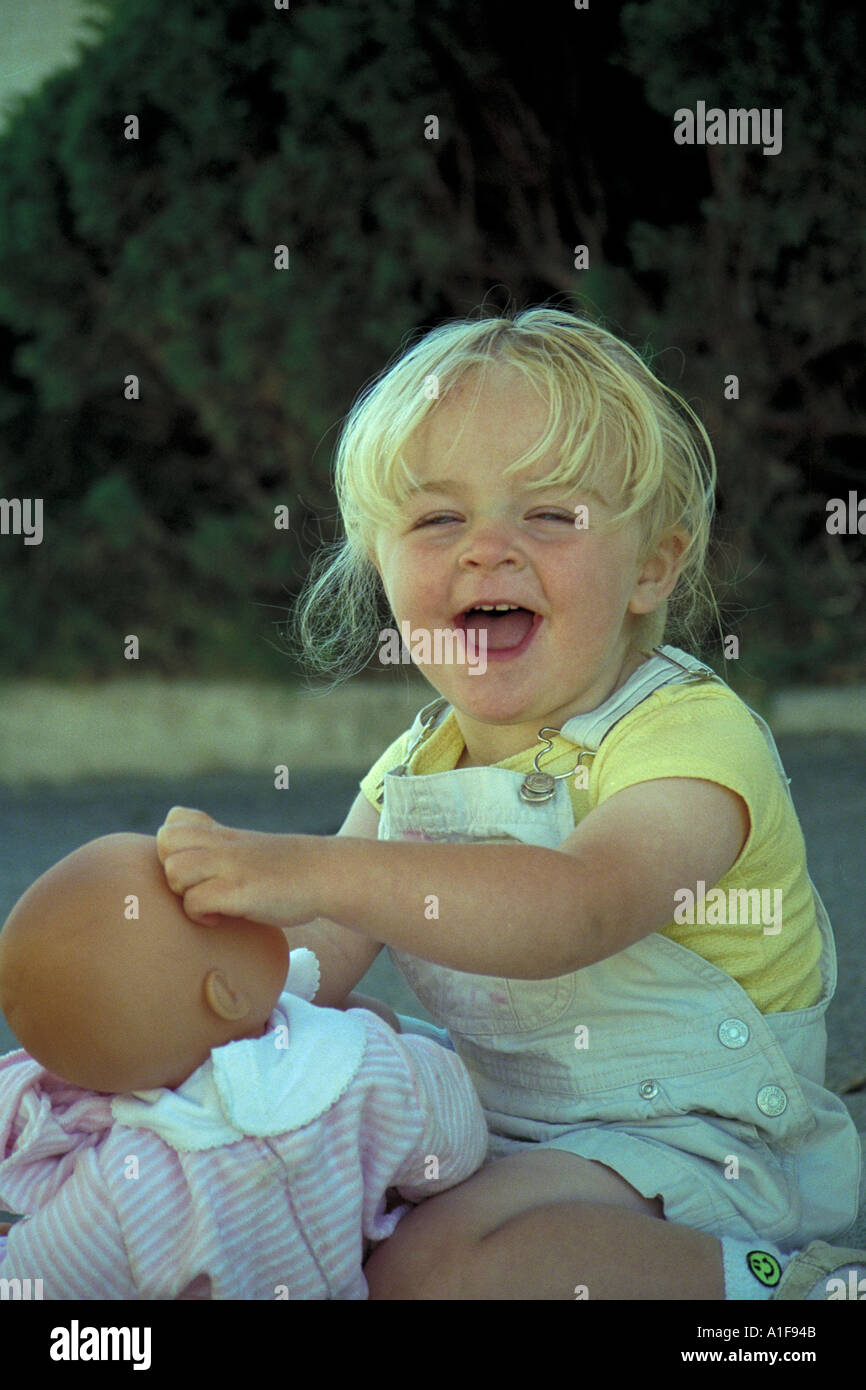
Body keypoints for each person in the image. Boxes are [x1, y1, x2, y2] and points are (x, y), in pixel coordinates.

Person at [155, 307, 864, 1301]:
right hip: (505, 1130)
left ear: (649, 566)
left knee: (440, 1267)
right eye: (438, 518)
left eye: (548, 515)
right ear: (383, 568)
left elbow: (575, 904)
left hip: (705, 1145)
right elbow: (312, 956)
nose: (487, 549)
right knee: (299, 1128)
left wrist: (307, 865)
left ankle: (786, 1293)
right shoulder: (415, 765)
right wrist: (173, 1022)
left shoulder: (687, 735)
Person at [0, 833, 488, 1299]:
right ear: (227, 995)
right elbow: (460, 1138)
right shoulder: (356, 1067)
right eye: (223, 905)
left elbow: (36, 1280)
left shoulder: (118, 1193)